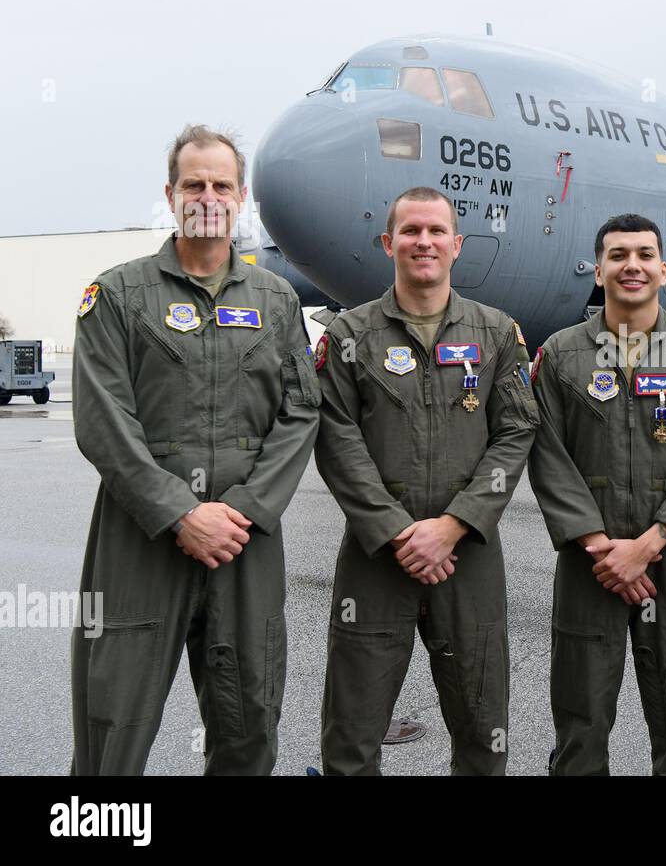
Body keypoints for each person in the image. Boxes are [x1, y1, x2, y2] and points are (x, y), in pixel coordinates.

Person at [71, 124, 320, 775]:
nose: (207, 195)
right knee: (112, 723)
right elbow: (103, 420)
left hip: (245, 540)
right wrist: (179, 513)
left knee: (249, 720)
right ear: (170, 194)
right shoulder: (118, 295)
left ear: (241, 198)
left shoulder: (276, 299)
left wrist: (245, 509)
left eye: (221, 184)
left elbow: (301, 412)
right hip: (140, 534)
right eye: (193, 184)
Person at [315, 187, 536, 775]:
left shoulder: (495, 335)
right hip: (375, 558)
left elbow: (516, 434)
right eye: (410, 231)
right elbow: (337, 440)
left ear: (457, 245)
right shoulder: (348, 337)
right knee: (352, 732)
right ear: (388, 243)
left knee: (482, 726)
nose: (424, 242)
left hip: (469, 557)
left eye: (437, 231)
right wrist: (395, 530)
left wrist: (455, 524)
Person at [528, 213, 666, 775]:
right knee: (581, 716)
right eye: (618, 256)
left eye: (644, 255)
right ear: (598, 270)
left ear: (664, 270)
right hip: (587, 566)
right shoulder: (562, 355)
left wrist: (649, 544)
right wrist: (600, 546)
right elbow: (547, 453)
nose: (632, 266)